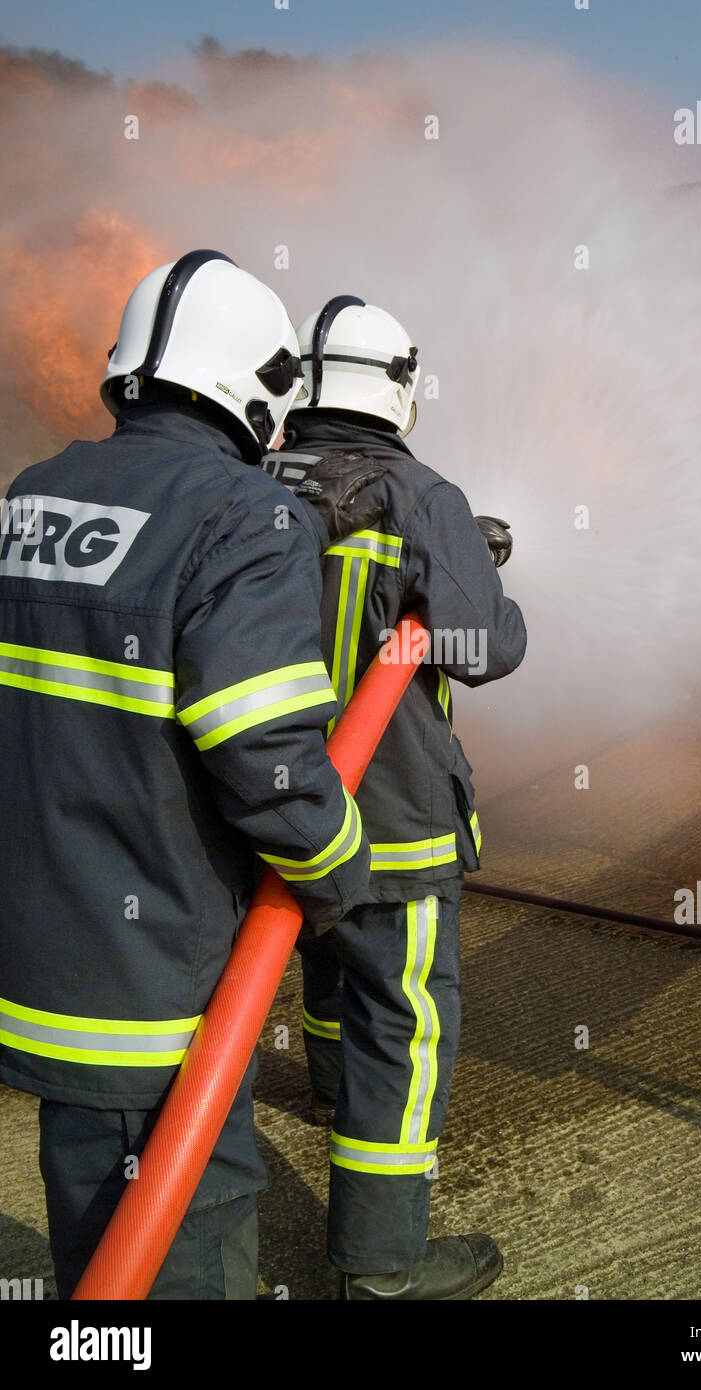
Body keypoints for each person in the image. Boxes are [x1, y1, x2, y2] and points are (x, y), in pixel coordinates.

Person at [0, 252, 386, 1300]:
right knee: (182, 1242)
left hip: (44, 969)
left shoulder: (33, 494)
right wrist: (340, 880)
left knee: (95, 1226)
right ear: (258, 386)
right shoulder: (242, 518)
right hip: (153, 990)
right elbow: (267, 759)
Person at [270, 293, 527, 1300]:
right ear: (399, 390)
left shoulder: (252, 480)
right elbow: (486, 648)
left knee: (322, 951)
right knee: (404, 1016)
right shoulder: (421, 497)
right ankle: (381, 1267)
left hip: (279, 804)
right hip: (392, 818)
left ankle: (332, 1089)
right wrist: (472, 571)